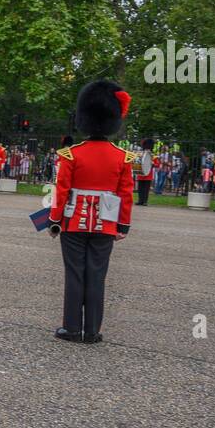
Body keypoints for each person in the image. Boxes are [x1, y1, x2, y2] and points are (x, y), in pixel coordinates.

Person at [49, 80, 134, 344]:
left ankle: (72, 328)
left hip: (73, 223)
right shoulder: (122, 157)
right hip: (106, 225)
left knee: (75, 274)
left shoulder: (72, 155)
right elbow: (126, 195)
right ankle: (92, 331)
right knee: (97, 276)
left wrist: (54, 220)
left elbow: (61, 191)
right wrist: (123, 226)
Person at [134, 138, 154, 205]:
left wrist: (152, 163)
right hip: (141, 174)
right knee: (140, 189)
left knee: (146, 189)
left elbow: (157, 164)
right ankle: (140, 200)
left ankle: (145, 201)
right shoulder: (141, 153)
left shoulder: (152, 155)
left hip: (148, 174)